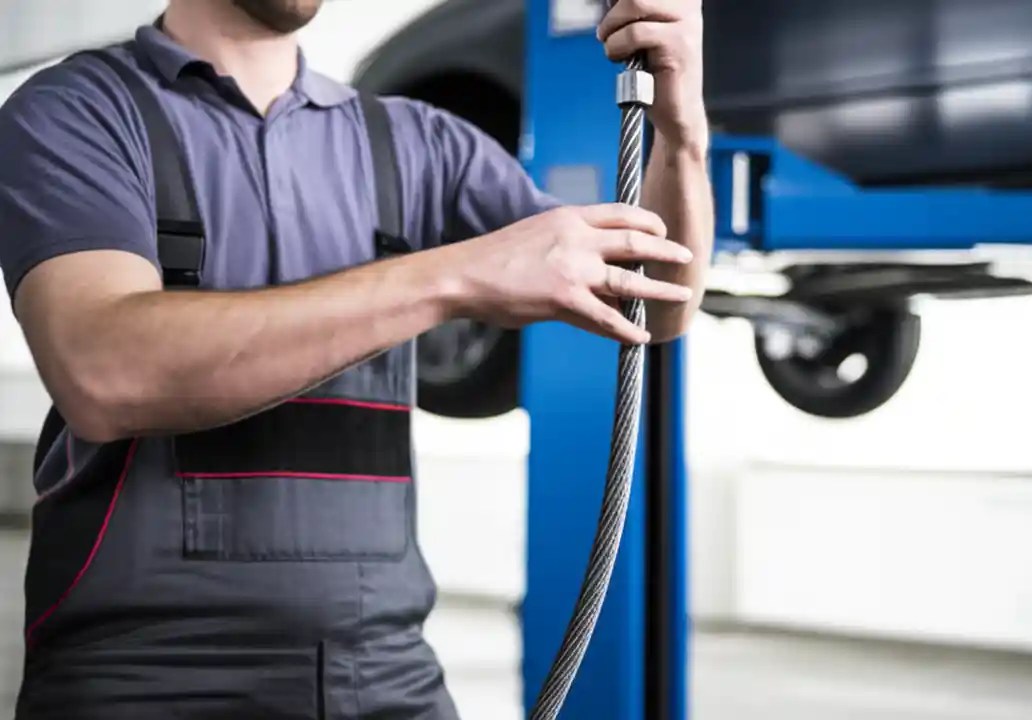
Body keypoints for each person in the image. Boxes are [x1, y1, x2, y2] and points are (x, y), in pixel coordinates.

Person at [0, 0, 711, 717]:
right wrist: (450, 275)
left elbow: (653, 306)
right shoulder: (77, 113)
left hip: (385, 676)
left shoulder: (418, 144)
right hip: (147, 678)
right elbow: (106, 371)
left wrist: (681, 134)